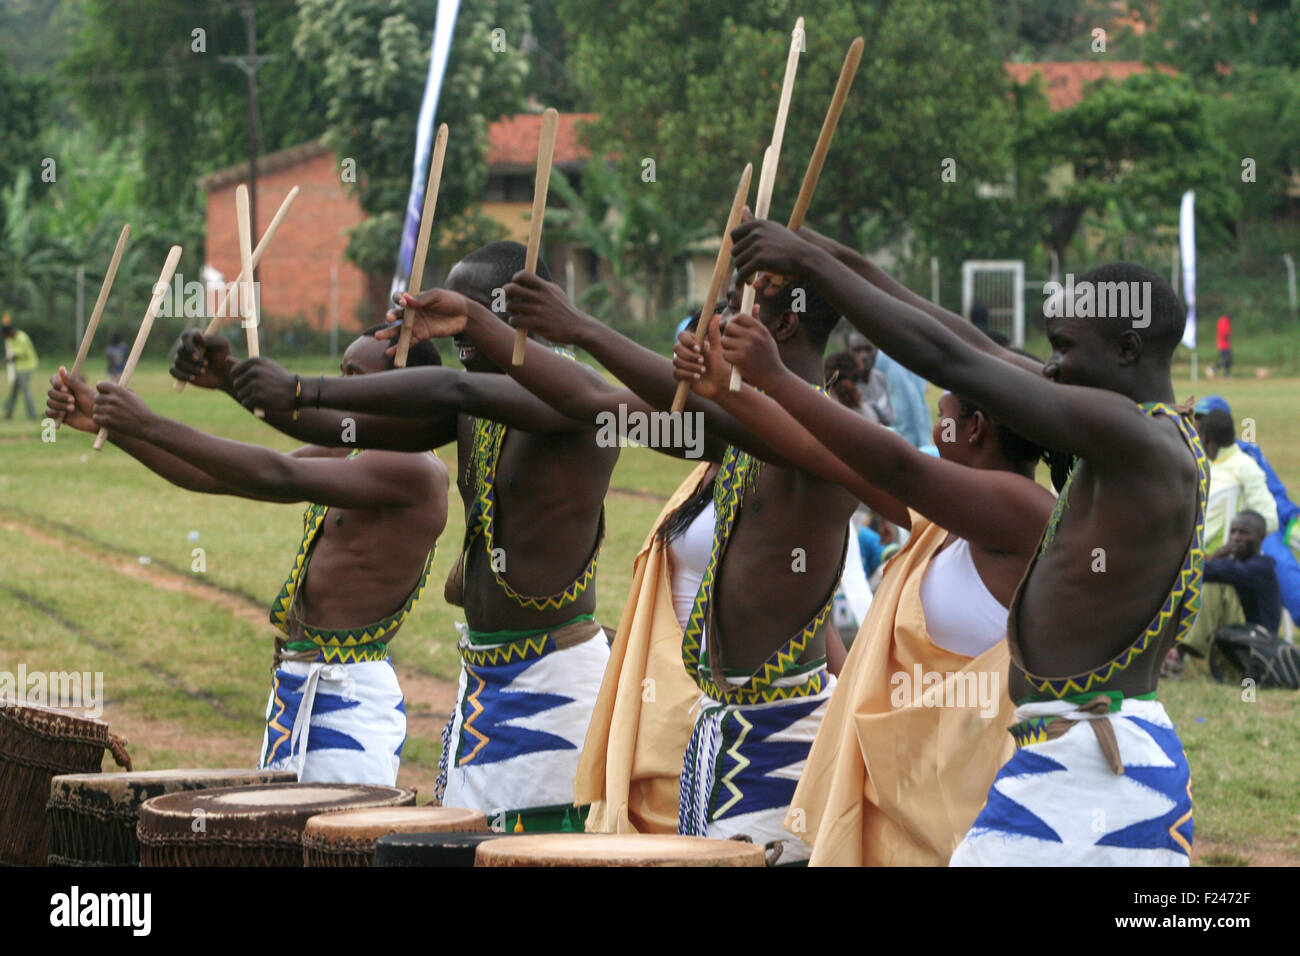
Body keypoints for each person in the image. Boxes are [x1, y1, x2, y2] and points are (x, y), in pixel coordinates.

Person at [731, 219, 1207, 866]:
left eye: (1064, 347)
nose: (1049, 366)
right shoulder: (1134, 433)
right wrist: (818, 254)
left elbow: (948, 367)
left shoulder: (1139, 441)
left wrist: (781, 369)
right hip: (1087, 752)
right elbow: (961, 338)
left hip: (1088, 768)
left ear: (1126, 349)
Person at [449, 267, 872, 862]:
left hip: (782, 753)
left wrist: (582, 329)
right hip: (713, 740)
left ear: (782, 322)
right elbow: (598, 404)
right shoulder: (736, 435)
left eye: (730, 306)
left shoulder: (824, 436)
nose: (711, 321)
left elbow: (617, 402)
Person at [198, 241, 618, 832]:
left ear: (521, 310)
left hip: (555, 681)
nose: (453, 328)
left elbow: (448, 389)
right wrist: (234, 382)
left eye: (470, 311)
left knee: (539, 845)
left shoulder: (573, 392)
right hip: (483, 677)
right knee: (472, 842)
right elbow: (349, 427)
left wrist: (300, 386)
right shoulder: (474, 399)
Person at [677, 280, 1054, 865]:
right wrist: (724, 392)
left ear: (975, 428)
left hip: (978, 800)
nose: (933, 426)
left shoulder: (1022, 512)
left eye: (942, 413)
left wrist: (773, 378)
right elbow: (818, 450)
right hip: (922, 793)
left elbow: (889, 460)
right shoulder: (945, 516)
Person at [46, 326, 448, 785]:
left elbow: (278, 474)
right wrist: (110, 426)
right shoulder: (355, 447)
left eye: (353, 378)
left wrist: (150, 422)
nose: (338, 392)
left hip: (349, 701)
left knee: (330, 850)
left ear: (401, 390)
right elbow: (217, 478)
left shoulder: (415, 469)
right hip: (299, 685)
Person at [1196, 408, 1277, 552]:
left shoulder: (1245, 467)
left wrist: (1234, 546)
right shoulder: (1204, 465)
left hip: (1229, 563)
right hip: (1199, 557)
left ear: (1206, 438)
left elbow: (1270, 520)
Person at [846, 331, 894, 426]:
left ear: (876, 351)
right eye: (857, 350)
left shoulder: (880, 378)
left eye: (868, 349)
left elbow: (889, 419)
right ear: (847, 352)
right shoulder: (843, 385)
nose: (863, 356)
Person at [3, 318, 38, 421]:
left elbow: (20, 354)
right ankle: (8, 414)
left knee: (25, 391)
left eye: (6, 335)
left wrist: (6, 360)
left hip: (27, 367)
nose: (6, 338)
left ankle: (33, 415)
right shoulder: (12, 339)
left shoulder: (22, 338)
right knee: (14, 391)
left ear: (10, 332)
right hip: (19, 368)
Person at [1214, 313, 1232, 378]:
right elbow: (1225, 334)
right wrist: (1228, 337)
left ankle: (1227, 374)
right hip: (1224, 345)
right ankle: (1213, 368)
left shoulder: (1221, 321)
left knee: (1228, 360)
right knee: (1227, 360)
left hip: (1222, 344)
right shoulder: (1225, 322)